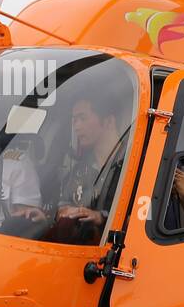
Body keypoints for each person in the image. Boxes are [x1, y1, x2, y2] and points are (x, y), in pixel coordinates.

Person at [42, 91, 129, 244]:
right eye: (74, 121)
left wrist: (101, 217)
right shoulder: (80, 169)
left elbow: (145, 218)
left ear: (108, 121)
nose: (76, 127)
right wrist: (65, 212)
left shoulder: (136, 163)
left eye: (82, 118)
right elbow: (62, 205)